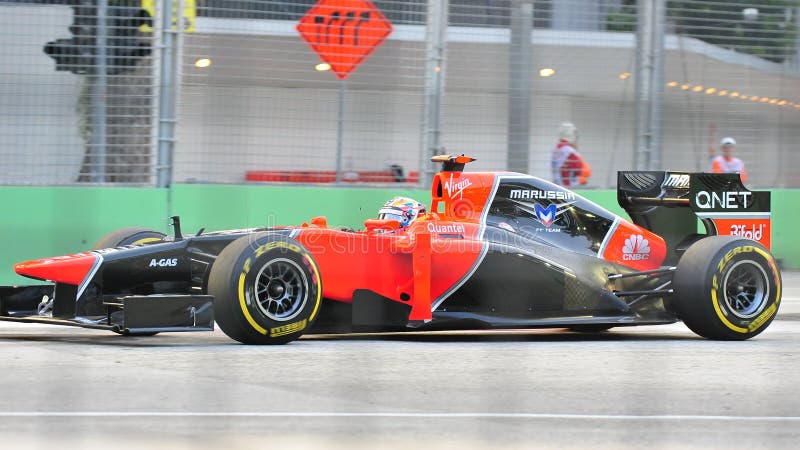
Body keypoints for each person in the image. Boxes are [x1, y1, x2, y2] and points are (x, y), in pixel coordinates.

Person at [551, 122, 592, 187]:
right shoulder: (570, 151)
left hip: (557, 185)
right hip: (568, 187)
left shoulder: (556, 150)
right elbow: (582, 171)